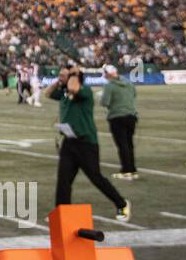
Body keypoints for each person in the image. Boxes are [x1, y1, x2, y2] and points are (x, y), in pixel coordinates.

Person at [46, 65, 131, 220]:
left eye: (63, 75)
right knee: (63, 179)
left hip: (86, 143)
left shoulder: (85, 91)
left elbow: (73, 88)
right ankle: (61, 212)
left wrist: (74, 75)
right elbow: (48, 93)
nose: (60, 77)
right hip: (69, 142)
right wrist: (59, 81)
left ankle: (122, 203)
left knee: (96, 178)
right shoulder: (63, 93)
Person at [99, 64, 139, 180]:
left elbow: (104, 102)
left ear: (108, 74)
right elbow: (134, 95)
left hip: (117, 117)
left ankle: (126, 170)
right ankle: (132, 169)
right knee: (129, 144)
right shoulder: (129, 83)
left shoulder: (109, 86)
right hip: (131, 116)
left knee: (122, 145)